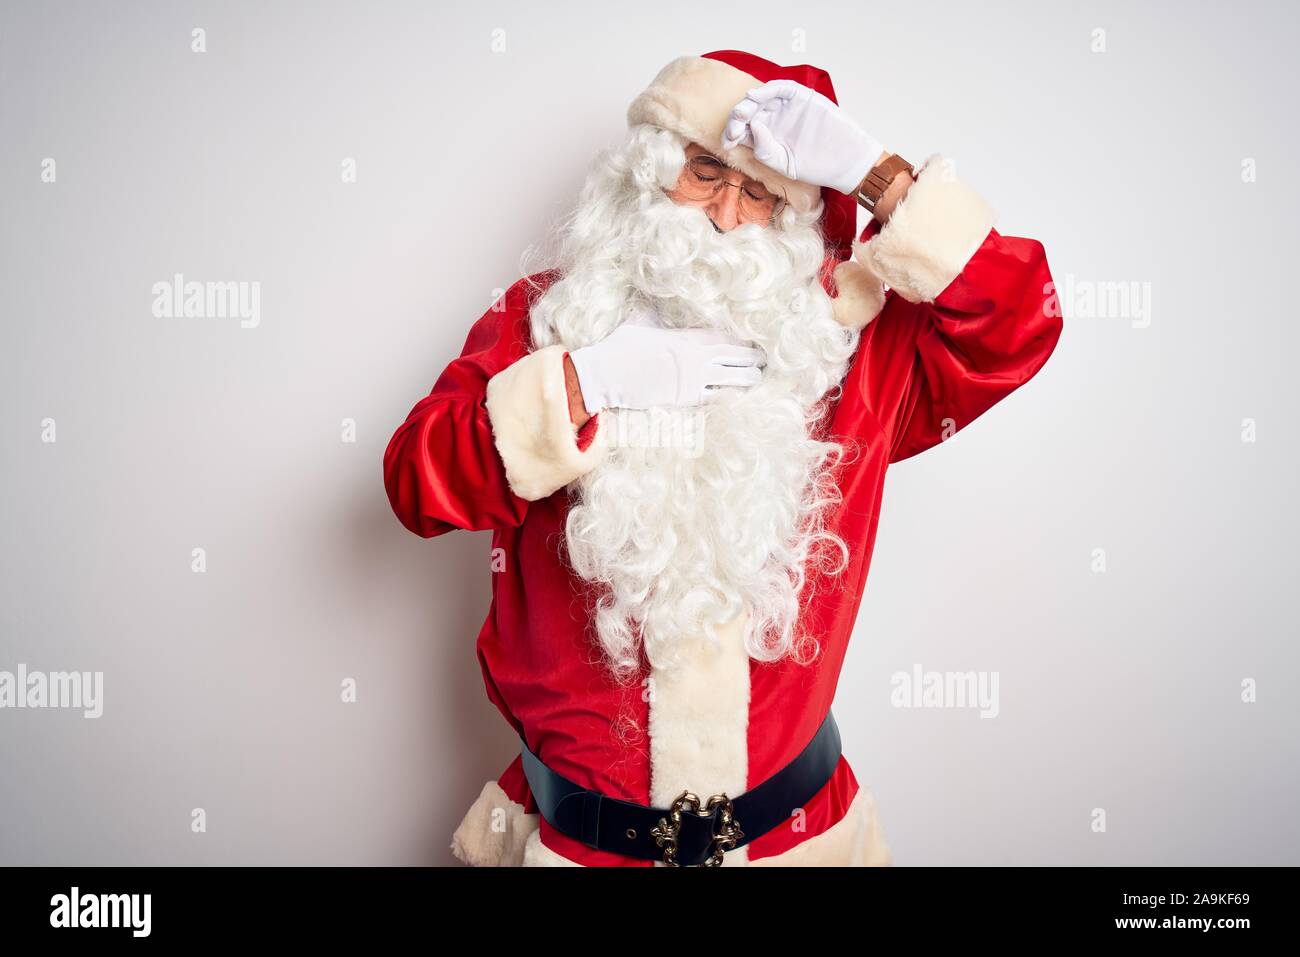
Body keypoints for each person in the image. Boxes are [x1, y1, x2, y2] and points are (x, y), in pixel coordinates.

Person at [383, 49, 1063, 866]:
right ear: (650, 173)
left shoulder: (849, 356)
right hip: (578, 847)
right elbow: (413, 484)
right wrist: (584, 381)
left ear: (798, 218)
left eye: (765, 192)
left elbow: (1018, 320)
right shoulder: (547, 319)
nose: (725, 212)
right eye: (705, 171)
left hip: (796, 843)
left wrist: (874, 174)